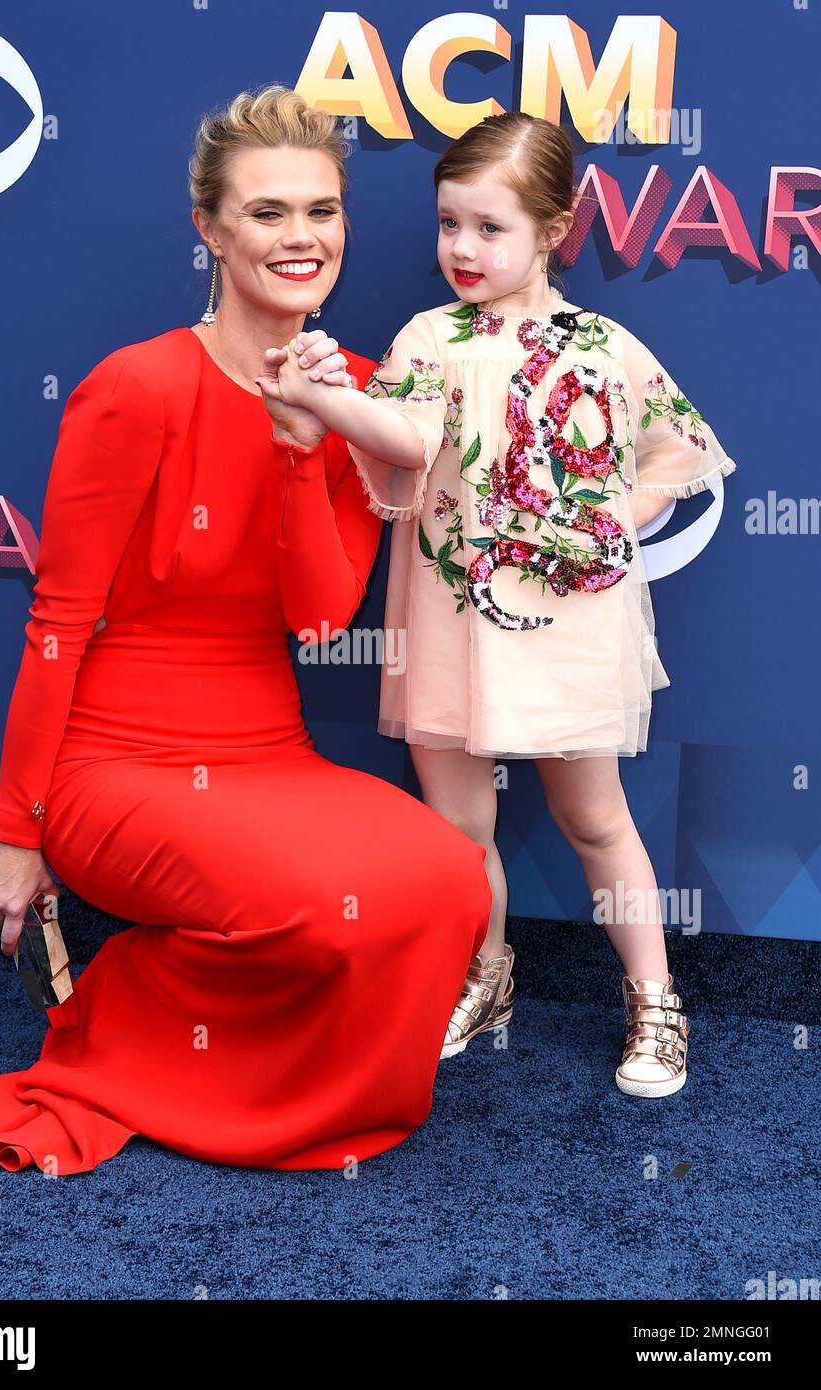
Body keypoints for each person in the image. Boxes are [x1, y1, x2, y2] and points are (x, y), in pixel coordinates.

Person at [0, 85, 492, 1176]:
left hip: (263, 749)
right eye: (267, 212)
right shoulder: (137, 386)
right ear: (209, 228)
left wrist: (304, 442)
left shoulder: (354, 392)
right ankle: (123, 1018)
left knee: (444, 878)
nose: (301, 237)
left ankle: (298, 1093)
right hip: (115, 765)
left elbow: (316, 617)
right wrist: (18, 830)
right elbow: (57, 622)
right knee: (316, 903)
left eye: (322, 210)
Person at [270, 111, 736, 1098]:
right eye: (448, 225)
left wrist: (618, 511)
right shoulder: (426, 337)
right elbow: (398, 435)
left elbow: (680, 448)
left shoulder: (601, 344)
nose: (462, 250)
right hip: (449, 608)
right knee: (456, 828)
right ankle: (485, 975)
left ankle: (654, 999)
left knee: (597, 818)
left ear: (554, 230)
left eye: (489, 228)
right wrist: (323, 395)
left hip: (569, 617)